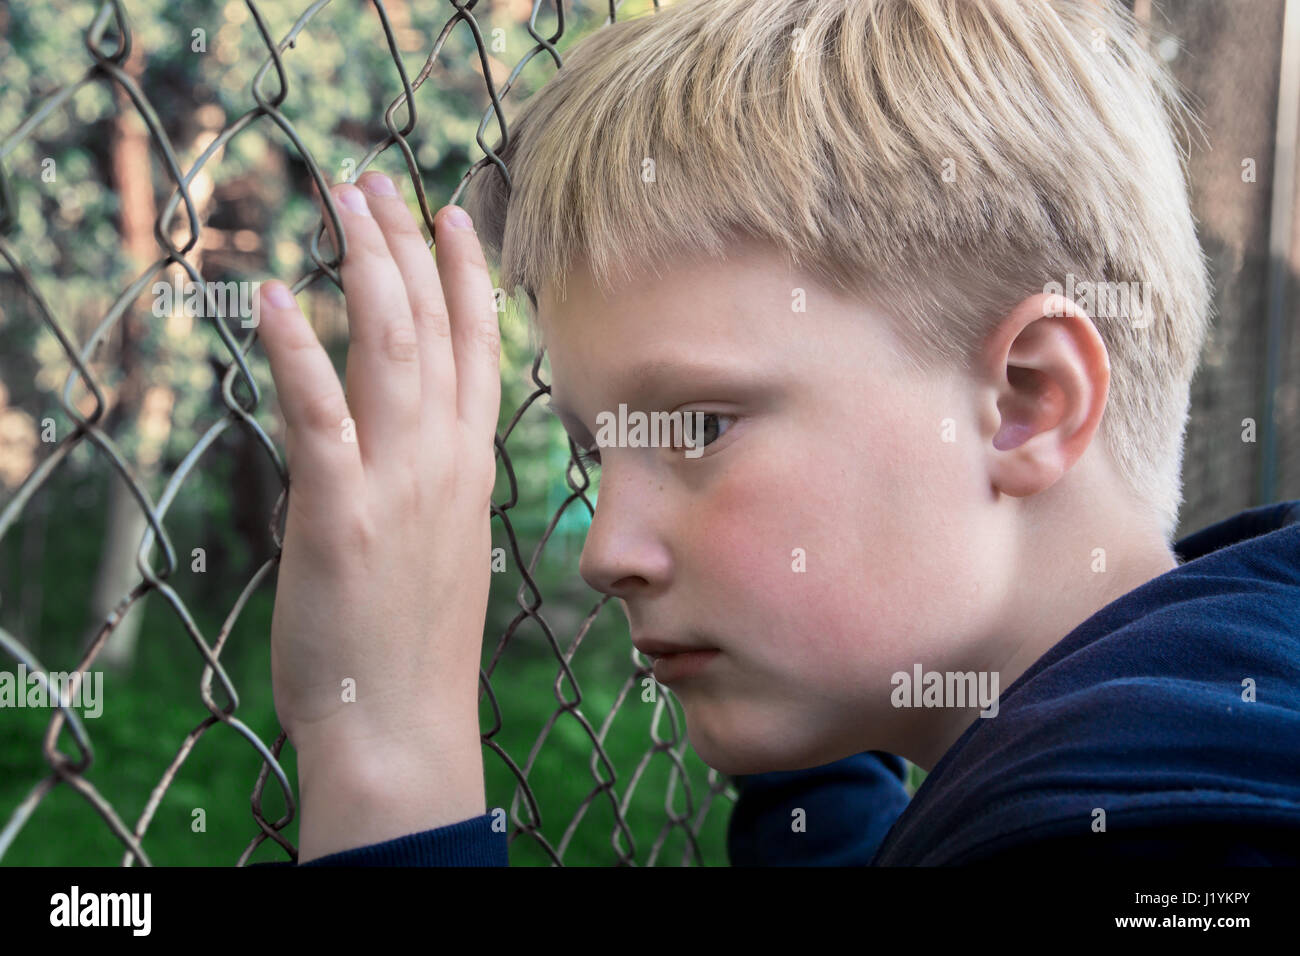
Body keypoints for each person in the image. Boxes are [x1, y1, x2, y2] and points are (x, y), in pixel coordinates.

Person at [250, 0, 1300, 866]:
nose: (608, 549)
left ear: (1028, 399)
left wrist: (385, 744)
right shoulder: (1207, 685)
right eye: (594, 451)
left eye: (700, 425)